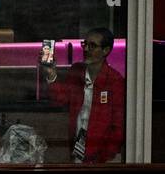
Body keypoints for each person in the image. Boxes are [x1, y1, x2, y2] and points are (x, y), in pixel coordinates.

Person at [41, 27, 125, 164]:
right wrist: (51, 74)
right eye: (85, 44)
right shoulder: (76, 71)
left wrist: (103, 158)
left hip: (101, 157)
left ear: (106, 50)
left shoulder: (115, 81)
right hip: (77, 146)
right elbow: (61, 99)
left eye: (92, 46)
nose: (86, 49)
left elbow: (117, 127)